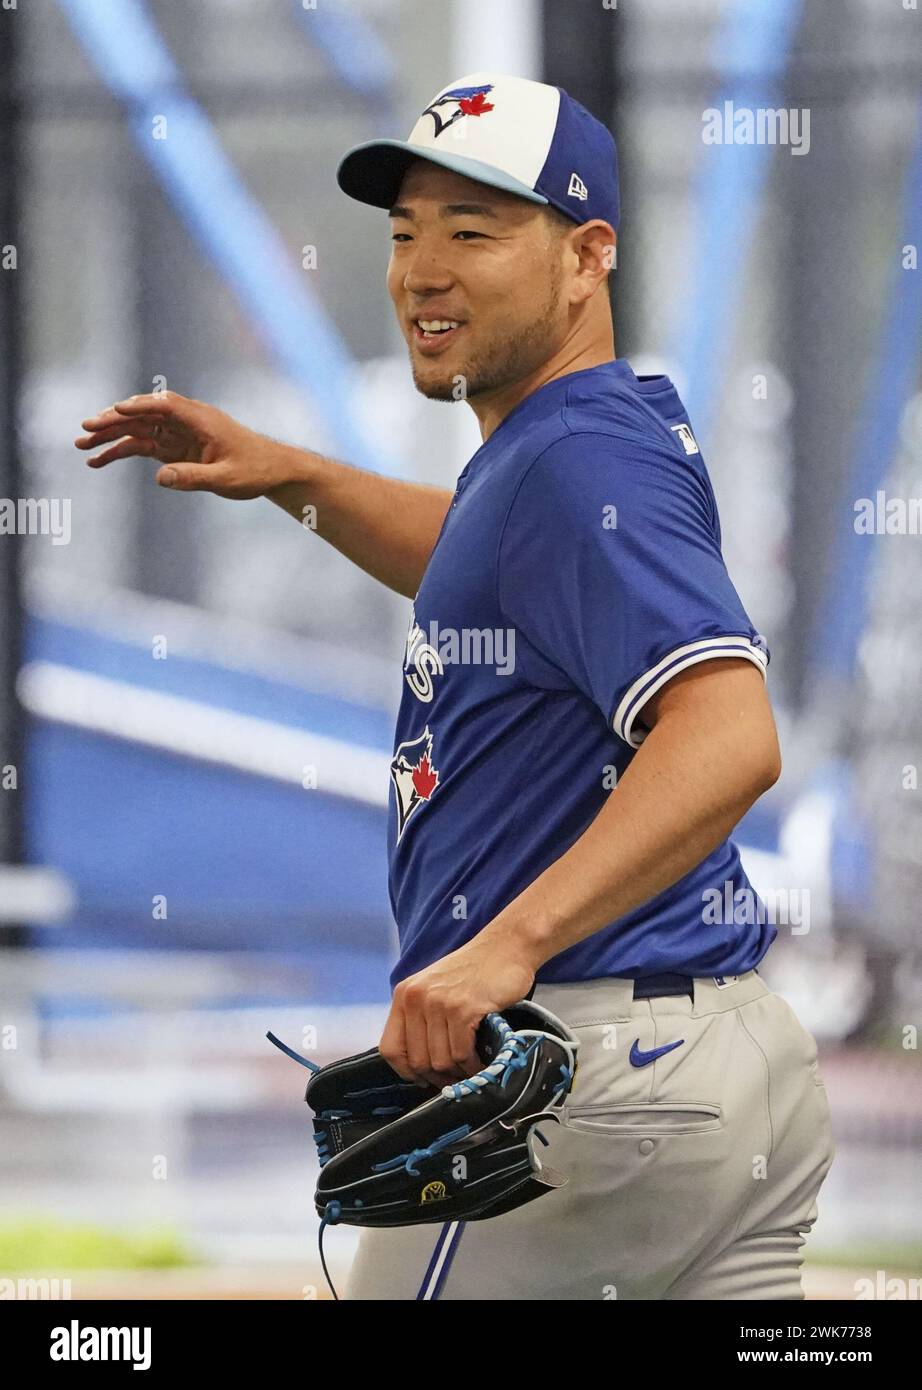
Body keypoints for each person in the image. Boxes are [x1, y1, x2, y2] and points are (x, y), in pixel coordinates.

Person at [76, 73, 834, 1300]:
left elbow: (730, 731)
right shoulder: (585, 439)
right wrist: (293, 475)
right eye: (403, 233)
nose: (423, 269)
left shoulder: (571, 460)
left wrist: (504, 948)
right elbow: (489, 567)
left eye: (473, 233)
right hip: (719, 1063)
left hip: (578, 1074)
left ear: (587, 256)